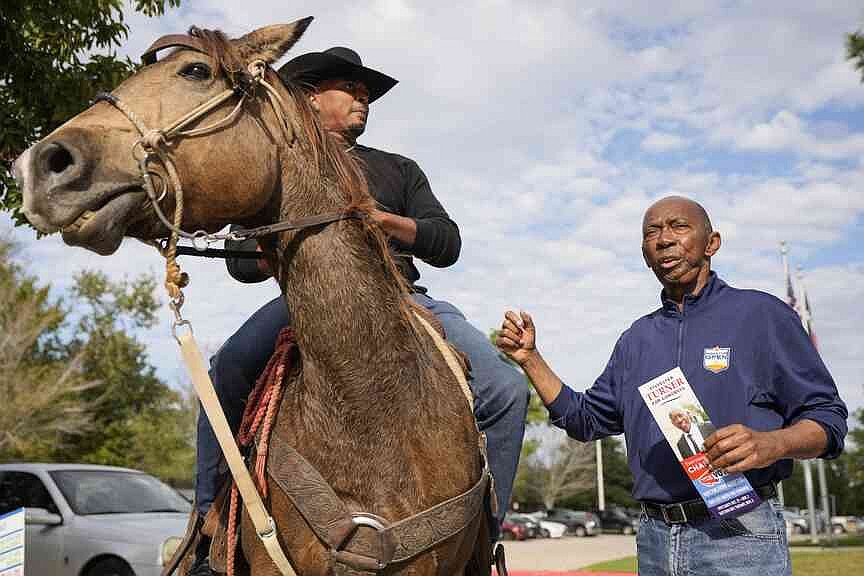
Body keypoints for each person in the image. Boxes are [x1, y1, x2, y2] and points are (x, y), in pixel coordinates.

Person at [191, 47, 528, 574]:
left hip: (405, 298)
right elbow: (241, 263)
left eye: (364, 91)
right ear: (309, 97)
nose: (362, 97)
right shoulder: (278, 169)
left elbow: (447, 242)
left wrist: (378, 219)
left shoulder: (398, 168)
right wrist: (259, 247)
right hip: (308, 302)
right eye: (349, 87)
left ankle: (484, 536)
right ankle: (208, 521)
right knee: (226, 369)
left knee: (506, 390)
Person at [496, 196, 847, 576]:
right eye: (652, 231)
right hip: (655, 538)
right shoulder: (636, 339)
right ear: (646, 253)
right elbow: (584, 420)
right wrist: (530, 358)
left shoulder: (761, 315)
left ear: (711, 243)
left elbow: (827, 420)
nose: (663, 239)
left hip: (741, 533)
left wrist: (771, 444)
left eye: (679, 226)